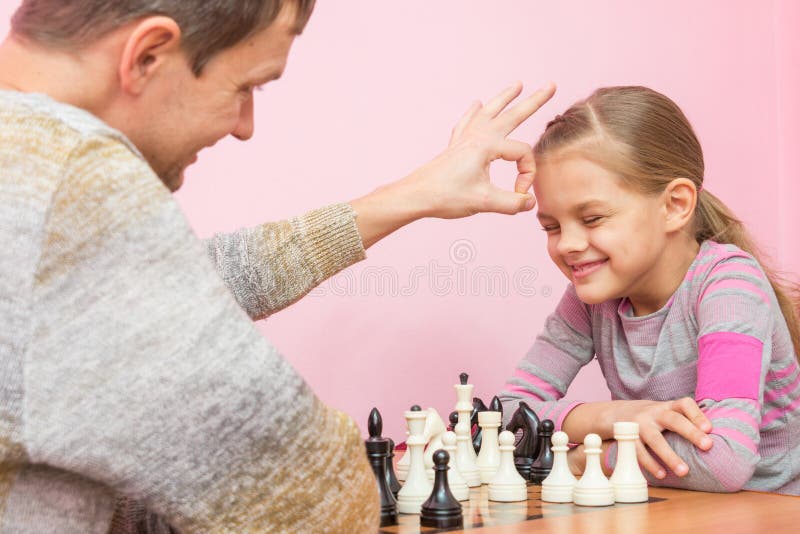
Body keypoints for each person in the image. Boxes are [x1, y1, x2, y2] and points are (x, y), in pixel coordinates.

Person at [0, 0, 556, 532]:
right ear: (148, 54)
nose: (245, 125)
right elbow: (314, 502)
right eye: (244, 86)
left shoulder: (29, 177)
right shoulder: (68, 179)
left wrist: (411, 195)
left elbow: (185, 282)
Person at [500, 85, 800, 495]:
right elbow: (506, 415)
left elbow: (724, 461)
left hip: (767, 514)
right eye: (551, 227)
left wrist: (575, 456)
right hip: (668, 508)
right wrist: (611, 417)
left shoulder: (731, 288)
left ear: (675, 205)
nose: (567, 243)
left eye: (592, 219)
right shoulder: (593, 297)